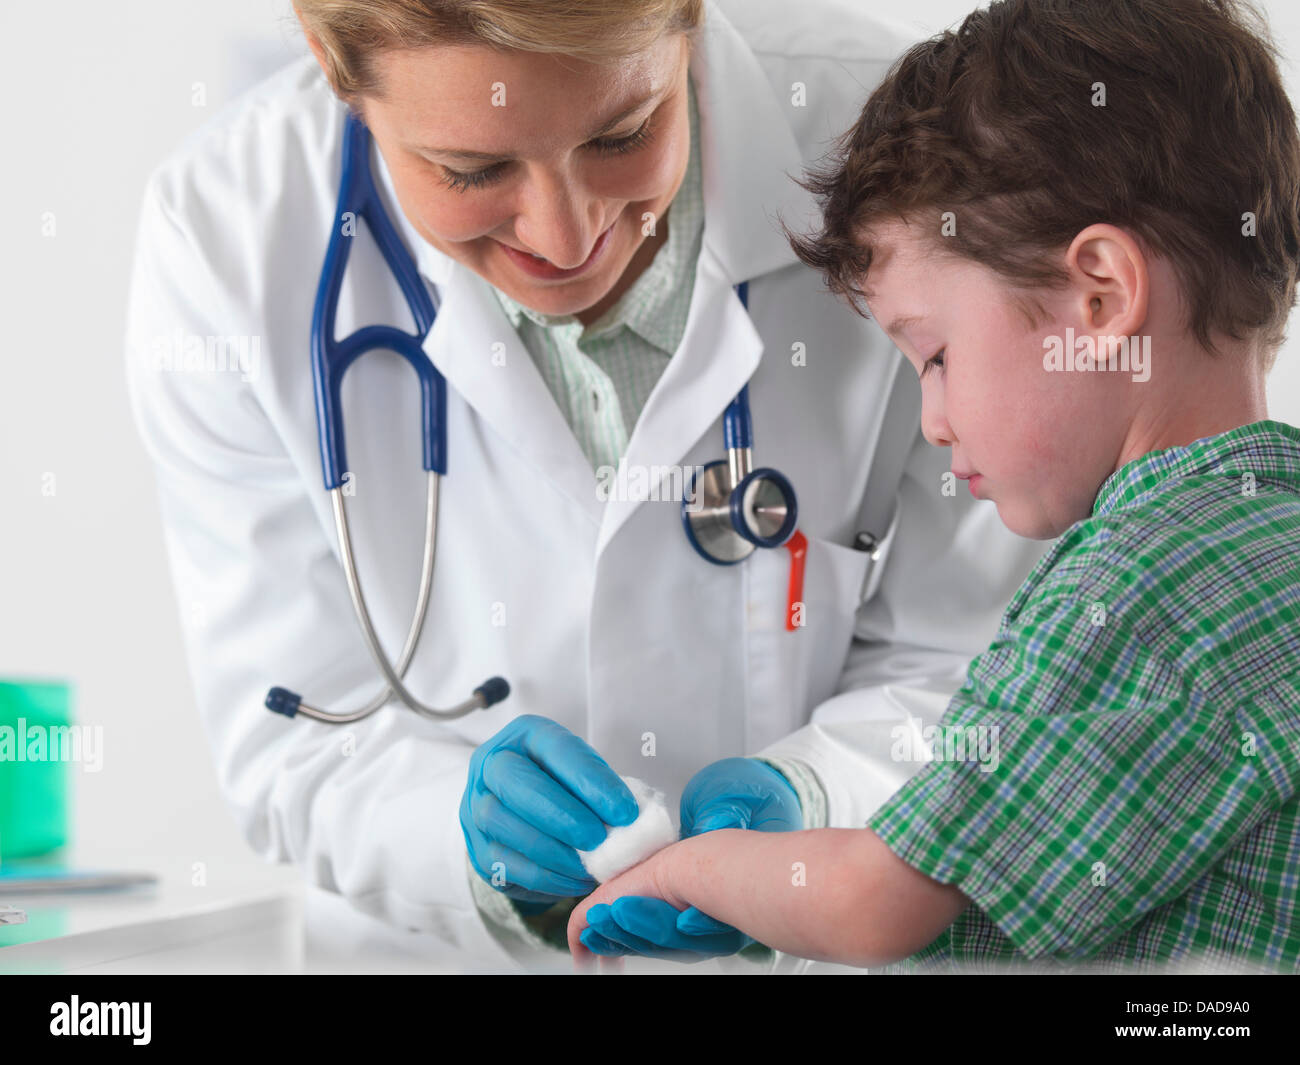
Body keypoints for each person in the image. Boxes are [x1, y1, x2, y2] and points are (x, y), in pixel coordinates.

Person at [124, 0, 1045, 972]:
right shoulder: (226, 238)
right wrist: (462, 841)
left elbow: (985, 656)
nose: (566, 237)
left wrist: (817, 796)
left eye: (623, 134)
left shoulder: (915, 144)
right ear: (332, 65)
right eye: (472, 171)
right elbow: (294, 737)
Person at [568, 0, 1300, 973]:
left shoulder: (1128, 589)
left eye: (936, 353)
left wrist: (687, 871)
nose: (933, 419)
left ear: (1099, 295)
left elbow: (875, 902)